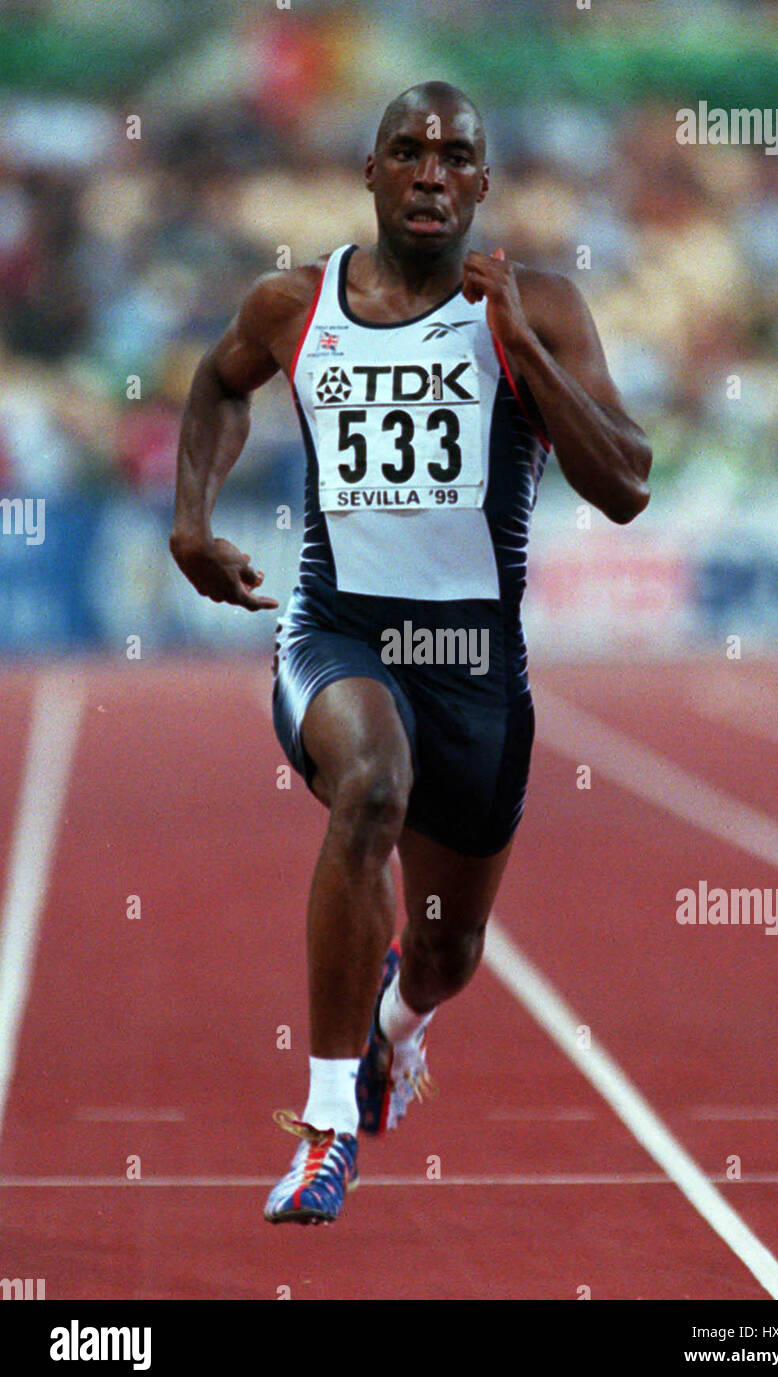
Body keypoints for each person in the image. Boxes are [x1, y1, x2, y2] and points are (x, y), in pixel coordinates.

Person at [170, 81, 652, 1225]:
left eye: (453, 157)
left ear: (482, 183)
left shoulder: (537, 304)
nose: (430, 173)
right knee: (370, 784)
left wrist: (522, 348)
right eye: (407, 151)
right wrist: (192, 518)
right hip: (334, 632)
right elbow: (216, 382)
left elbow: (626, 484)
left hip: (475, 664)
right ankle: (326, 1126)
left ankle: (395, 1024)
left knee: (445, 954)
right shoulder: (296, 303)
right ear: (371, 172)